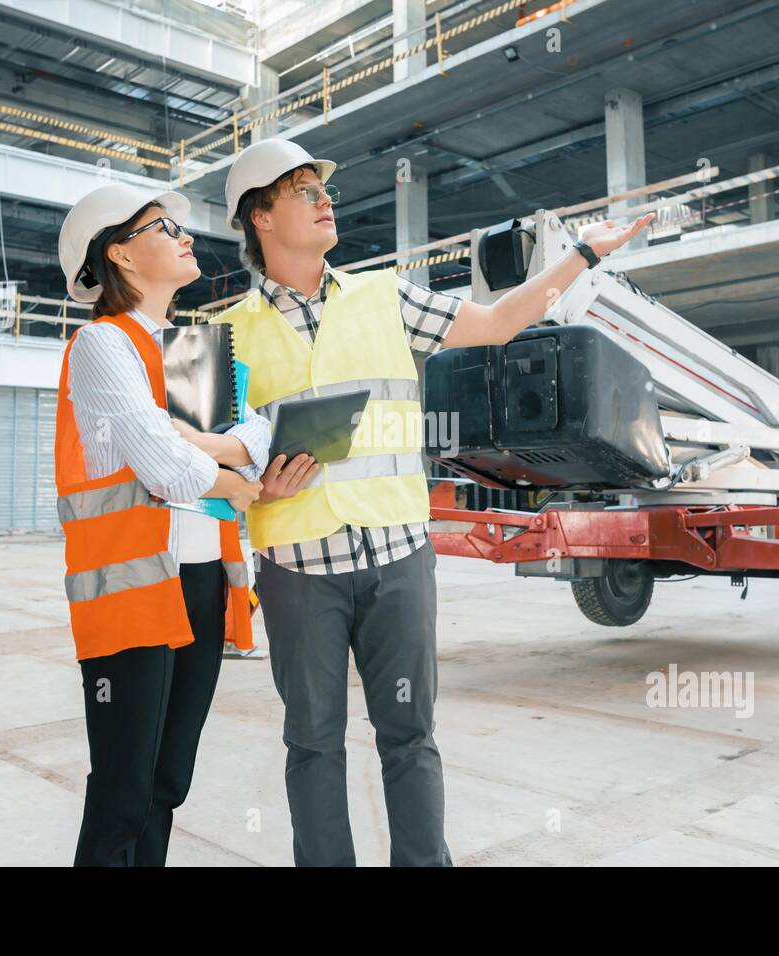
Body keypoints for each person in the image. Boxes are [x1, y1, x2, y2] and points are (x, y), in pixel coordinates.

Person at [214, 139, 654, 866]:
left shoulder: (382, 295)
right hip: (296, 570)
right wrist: (254, 486)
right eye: (302, 190)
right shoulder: (223, 333)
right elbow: (198, 463)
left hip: (397, 561)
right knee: (313, 744)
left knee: (410, 738)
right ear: (259, 216)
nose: (326, 199)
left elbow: (496, 323)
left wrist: (582, 254)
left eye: (324, 188)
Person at [54, 182, 316, 866]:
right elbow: (162, 463)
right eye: (164, 227)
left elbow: (259, 431)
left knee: (168, 782)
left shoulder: (192, 352)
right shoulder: (100, 346)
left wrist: (221, 451)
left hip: (201, 582)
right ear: (121, 254)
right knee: (123, 787)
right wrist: (234, 475)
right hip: (130, 591)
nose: (185, 236)